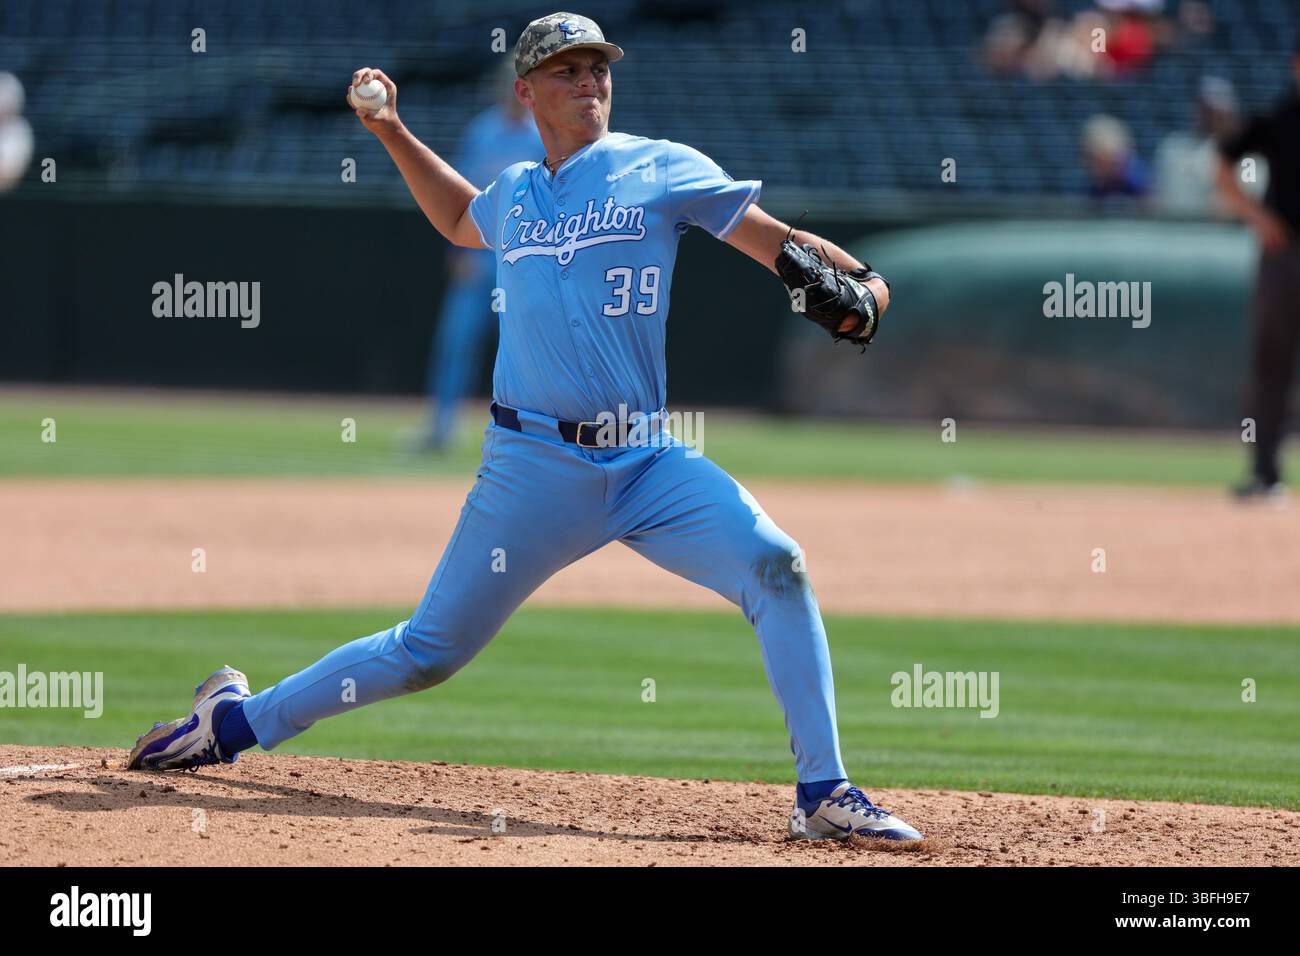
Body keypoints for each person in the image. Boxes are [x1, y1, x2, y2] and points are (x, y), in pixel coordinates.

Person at [126, 12, 919, 843]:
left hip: (648, 461)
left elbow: (781, 244)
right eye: (567, 71)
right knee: (427, 652)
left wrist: (865, 279)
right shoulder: (515, 194)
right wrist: (391, 130)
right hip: (532, 465)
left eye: (597, 69)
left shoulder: (660, 166)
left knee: (776, 564)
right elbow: (461, 218)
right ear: (527, 92)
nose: (588, 84)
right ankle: (234, 724)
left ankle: (823, 793)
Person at [414, 61, 543, 452]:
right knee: (455, 342)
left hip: (523, 261)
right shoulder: (482, 131)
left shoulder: (542, 136)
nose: (512, 91)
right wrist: (456, 248)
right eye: (507, 84)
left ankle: (532, 436)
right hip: (479, 257)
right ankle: (441, 427)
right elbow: (460, 193)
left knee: (529, 355)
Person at [1217, 32, 1300, 501]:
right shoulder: (1278, 119)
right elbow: (1223, 167)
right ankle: (1264, 473)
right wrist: (1257, 216)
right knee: (1271, 367)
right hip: (1284, 254)